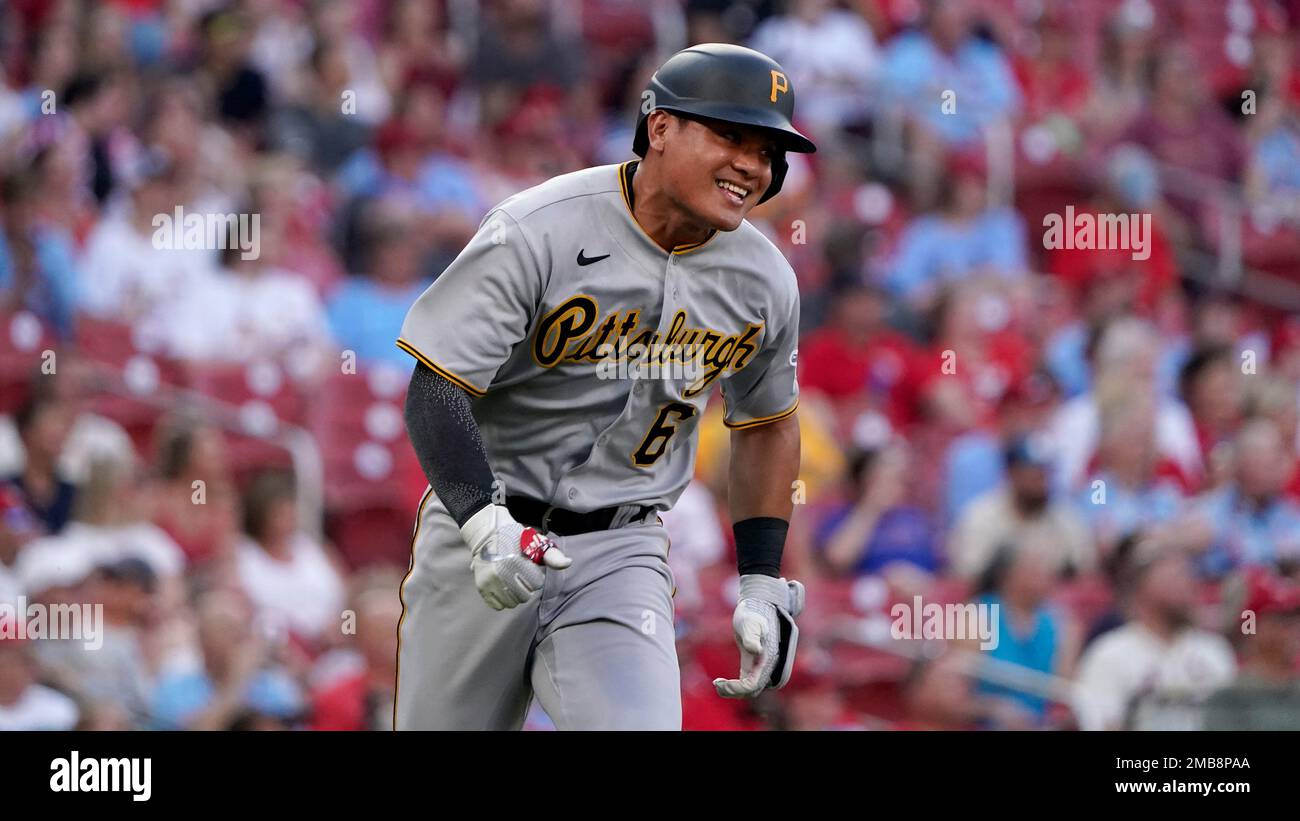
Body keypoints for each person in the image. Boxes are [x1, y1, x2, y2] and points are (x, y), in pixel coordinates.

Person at [395, 44, 814, 730]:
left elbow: (767, 420)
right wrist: (480, 519)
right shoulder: (539, 228)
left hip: (623, 550)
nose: (752, 164)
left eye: (768, 151)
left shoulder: (765, 278)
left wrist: (762, 578)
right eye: (730, 135)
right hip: (487, 530)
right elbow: (436, 388)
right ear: (660, 128)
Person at [1072, 537, 1236, 730]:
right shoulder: (1109, 654)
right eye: (1177, 575)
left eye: (1188, 574)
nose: (1189, 584)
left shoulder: (1214, 649)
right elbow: (1100, 723)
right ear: (1143, 585)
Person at [949, 433, 1092, 580]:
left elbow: (1084, 573)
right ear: (1012, 473)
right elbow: (968, 576)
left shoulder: (1065, 516)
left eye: (1045, 472)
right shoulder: (981, 515)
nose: (1040, 480)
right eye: (1033, 472)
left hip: (1052, 600)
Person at [1203, 567, 1300, 730]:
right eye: (1281, 619)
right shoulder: (1230, 700)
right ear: (1250, 627)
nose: (1294, 629)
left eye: (1295, 618)